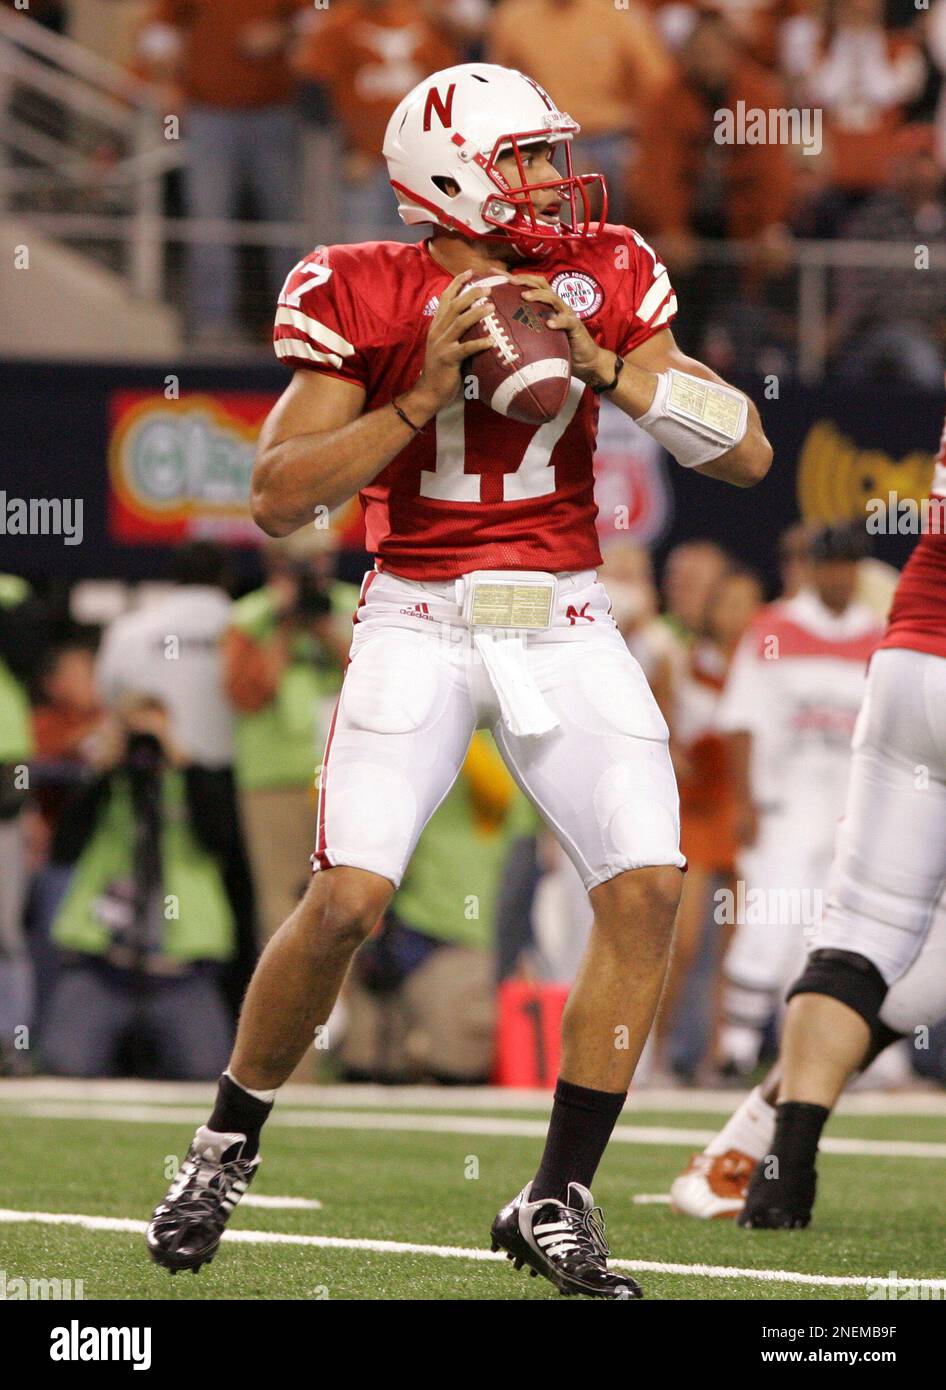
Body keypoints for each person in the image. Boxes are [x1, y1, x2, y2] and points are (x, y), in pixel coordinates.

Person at [145, 60, 772, 1299]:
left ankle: (556, 1194)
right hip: (419, 617)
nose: (551, 178)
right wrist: (414, 397)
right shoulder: (362, 288)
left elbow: (748, 451)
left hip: (566, 612)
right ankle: (225, 1142)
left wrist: (610, 368)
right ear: (445, 176)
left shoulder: (608, 271)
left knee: (646, 887)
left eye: (550, 154)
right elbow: (274, 498)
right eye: (524, 158)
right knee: (347, 902)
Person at [672, 421, 946, 1223]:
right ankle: (750, 1107)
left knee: (861, 939)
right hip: (832, 768)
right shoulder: (775, 629)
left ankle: (774, 1158)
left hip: (908, 663)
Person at [715, 526, 885, 1078]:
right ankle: (737, 1049)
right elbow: (742, 721)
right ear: (812, 567)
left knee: (837, 930)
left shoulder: (879, 634)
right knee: (770, 917)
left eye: (849, 564)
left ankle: (838, 1057)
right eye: (831, 564)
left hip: (850, 809)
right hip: (785, 802)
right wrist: (743, 802)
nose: (840, 575)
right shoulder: (774, 628)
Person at [42, 697, 236, 1080]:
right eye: (136, 735)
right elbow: (62, 851)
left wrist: (184, 763)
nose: (145, 747)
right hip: (102, 967)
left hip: (181, 973)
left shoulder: (193, 786)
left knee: (207, 1074)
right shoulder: (106, 788)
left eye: (154, 735)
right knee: (63, 1066)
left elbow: (224, 841)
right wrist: (103, 769)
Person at [337, 731, 532, 1084]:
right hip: (390, 928)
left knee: (457, 1071)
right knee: (366, 1067)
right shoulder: (398, 733)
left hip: (457, 934)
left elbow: (498, 792)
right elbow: (326, 795)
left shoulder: (503, 744)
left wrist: (446, 719)